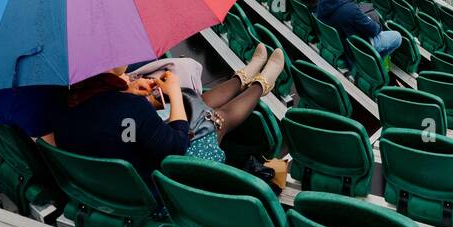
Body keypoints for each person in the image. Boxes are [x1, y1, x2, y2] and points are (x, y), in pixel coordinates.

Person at [52, 46, 284, 179]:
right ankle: (260, 85)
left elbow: (113, 125)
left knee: (197, 103)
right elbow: (177, 147)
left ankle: (242, 77)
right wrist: (173, 92)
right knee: (215, 119)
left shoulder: (64, 104)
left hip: (118, 182)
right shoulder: (130, 108)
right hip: (162, 187)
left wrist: (128, 90)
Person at [315, 0, 401, 63]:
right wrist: (369, 20)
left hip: (337, 42)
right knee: (397, 36)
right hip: (355, 48)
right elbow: (375, 30)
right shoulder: (350, 10)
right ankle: (374, 62)